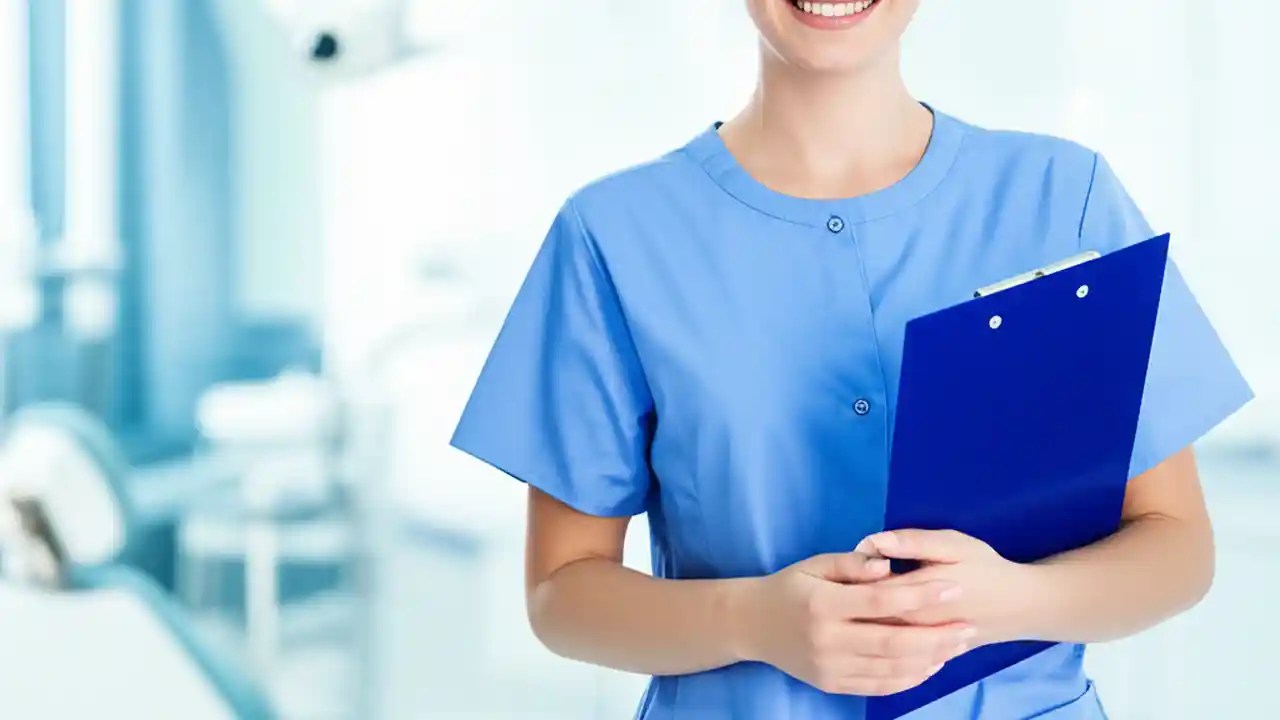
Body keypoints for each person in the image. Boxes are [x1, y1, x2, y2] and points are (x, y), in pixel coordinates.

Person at [450, 1, 1253, 717]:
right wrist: (756, 621)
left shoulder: (1063, 195)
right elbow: (562, 593)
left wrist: (1008, 602)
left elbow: (1176, 545)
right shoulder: (614, 235)